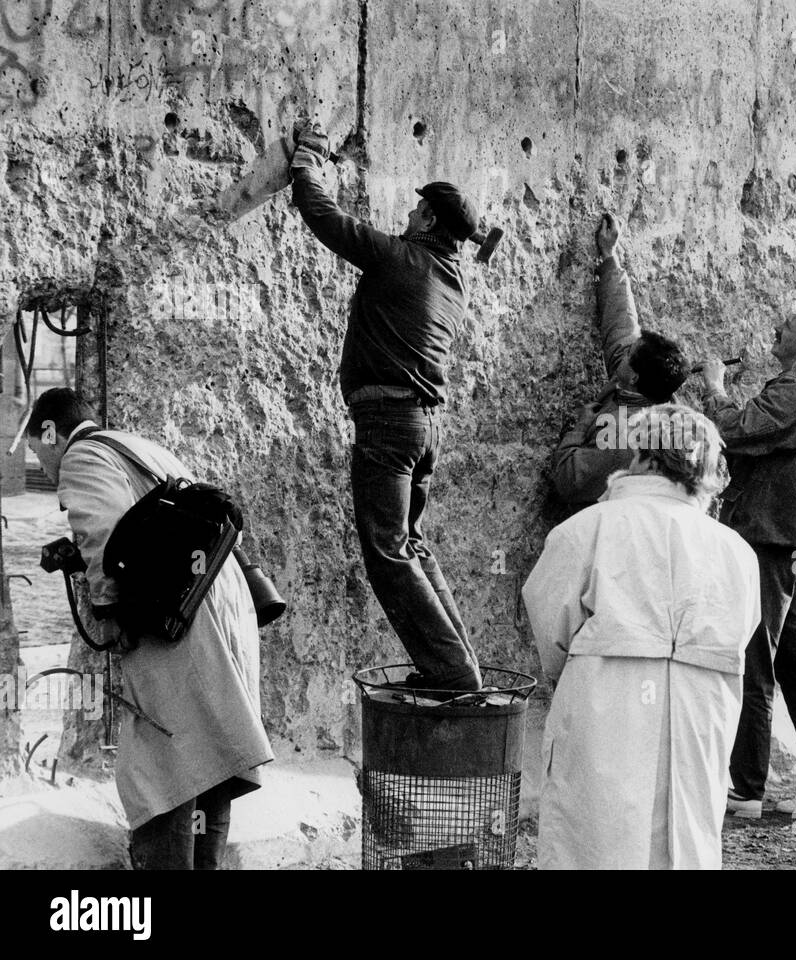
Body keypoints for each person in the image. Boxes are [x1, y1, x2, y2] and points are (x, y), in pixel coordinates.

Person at [28, 388, 273, 870]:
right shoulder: (136, 446)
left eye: (38, 450)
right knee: (212, 753)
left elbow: (102, 531)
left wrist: (108, 611)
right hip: (223, 599)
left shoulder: (82, 458)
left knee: (164, 765)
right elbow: (147, 527)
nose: (43, 463)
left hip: (183, 616)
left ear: (51, 433)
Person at [522, 405, 761, 869]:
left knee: (594, 837)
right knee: (685, 840)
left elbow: (552, 625)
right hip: (701, 708)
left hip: (605, 699)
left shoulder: (585, 529)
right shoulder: (737, 552)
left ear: (643, 454)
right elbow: (742, 630)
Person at [290, 131, 480, 691]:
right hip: (421, 430)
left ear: (427, 222)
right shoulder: (452, 280)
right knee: (411, 545)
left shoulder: (402, 260)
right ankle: (460, 665)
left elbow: (328, 221)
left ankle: (453, 674)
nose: (410, 212)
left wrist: (306, 168)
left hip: (388, 425)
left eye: (418, 208)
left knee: (387, 552)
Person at [699, 306, 796, 818]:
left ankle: (745, 789)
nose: (776, 329)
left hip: (765, 539)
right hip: (795, 540)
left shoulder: (795, 392)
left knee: (753, 663)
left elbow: (734, 430)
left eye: (786, 328)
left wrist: (715, 386)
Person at [551, 215, 689, 509]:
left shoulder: (622, 437)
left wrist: (580, 427)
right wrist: (609, 257)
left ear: (635, 376)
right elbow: (623, 326)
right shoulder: (652, 388)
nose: (623, 354)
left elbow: (569, 479)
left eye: (628, 356)